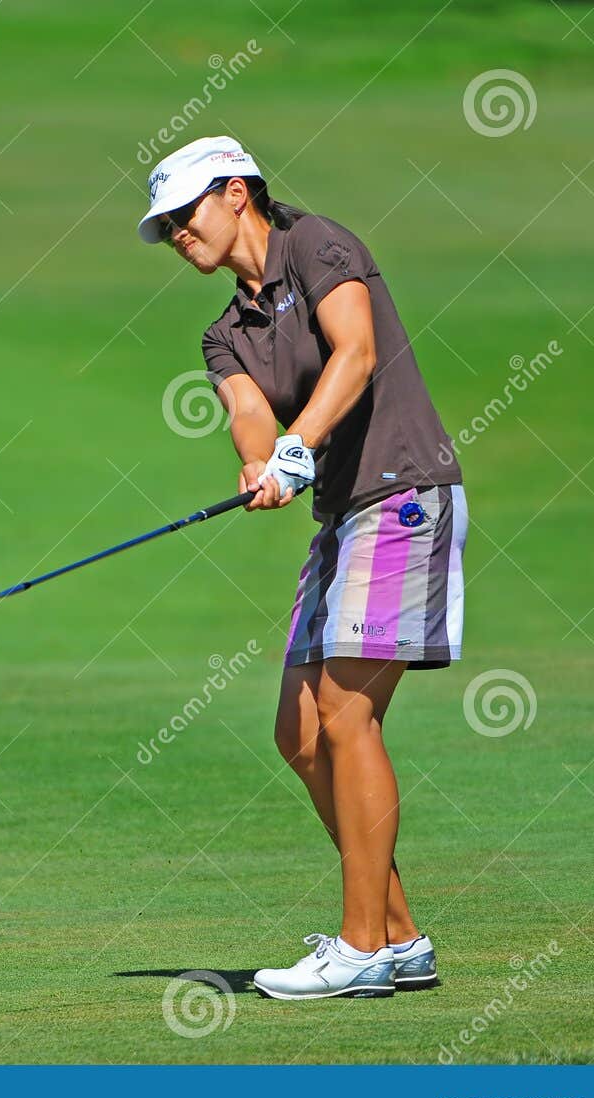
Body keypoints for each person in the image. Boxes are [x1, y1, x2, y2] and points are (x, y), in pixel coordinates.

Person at [138, 136, 468, 1000]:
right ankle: (399, 937)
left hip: (401, 491)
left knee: (346, 713)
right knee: (300, 732)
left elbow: (354, 353)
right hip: (339, 515)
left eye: (185, 214)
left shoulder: (318, 242)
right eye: (164, 225)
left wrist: (299, 445)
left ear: (237, 192)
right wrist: (262, 462)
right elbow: (248, 411)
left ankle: (359, 950)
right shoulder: (223, 333)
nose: (176, 234)